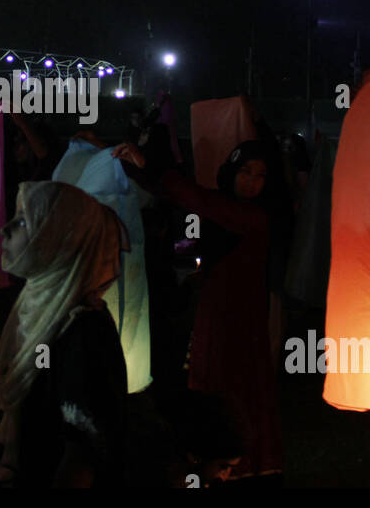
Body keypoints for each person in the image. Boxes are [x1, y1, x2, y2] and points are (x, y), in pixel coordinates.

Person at [113, 135, 288, 484]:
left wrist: (149, 164)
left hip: (241, 315)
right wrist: (129, 168)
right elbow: (179, 196)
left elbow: (195, 198)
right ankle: (212, 453)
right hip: (213, 308)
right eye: (245, 172)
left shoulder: (254, 215)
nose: (251, 181)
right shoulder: (224, 203)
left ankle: (237, 458)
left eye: (260, 175)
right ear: (232, 171)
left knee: (236, 382)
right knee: (210, 380)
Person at [0, 181, 129, 488]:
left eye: (24, 221)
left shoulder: (83, 332)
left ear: (59, 237)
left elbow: (83, 448)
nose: (5, 229)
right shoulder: (37, 304)